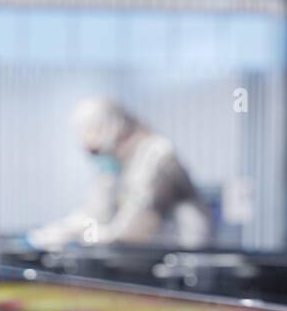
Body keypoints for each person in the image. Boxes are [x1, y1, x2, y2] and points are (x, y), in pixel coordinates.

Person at [27, 97, 211, 251]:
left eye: (95, 147)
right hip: (140, 262)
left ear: (113, 128)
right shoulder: (114, 163)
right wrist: (61, 232)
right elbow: (95, 211)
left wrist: (86, 237)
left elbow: (135, 229)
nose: (90, 150)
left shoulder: (157, 155)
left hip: (184, 263)